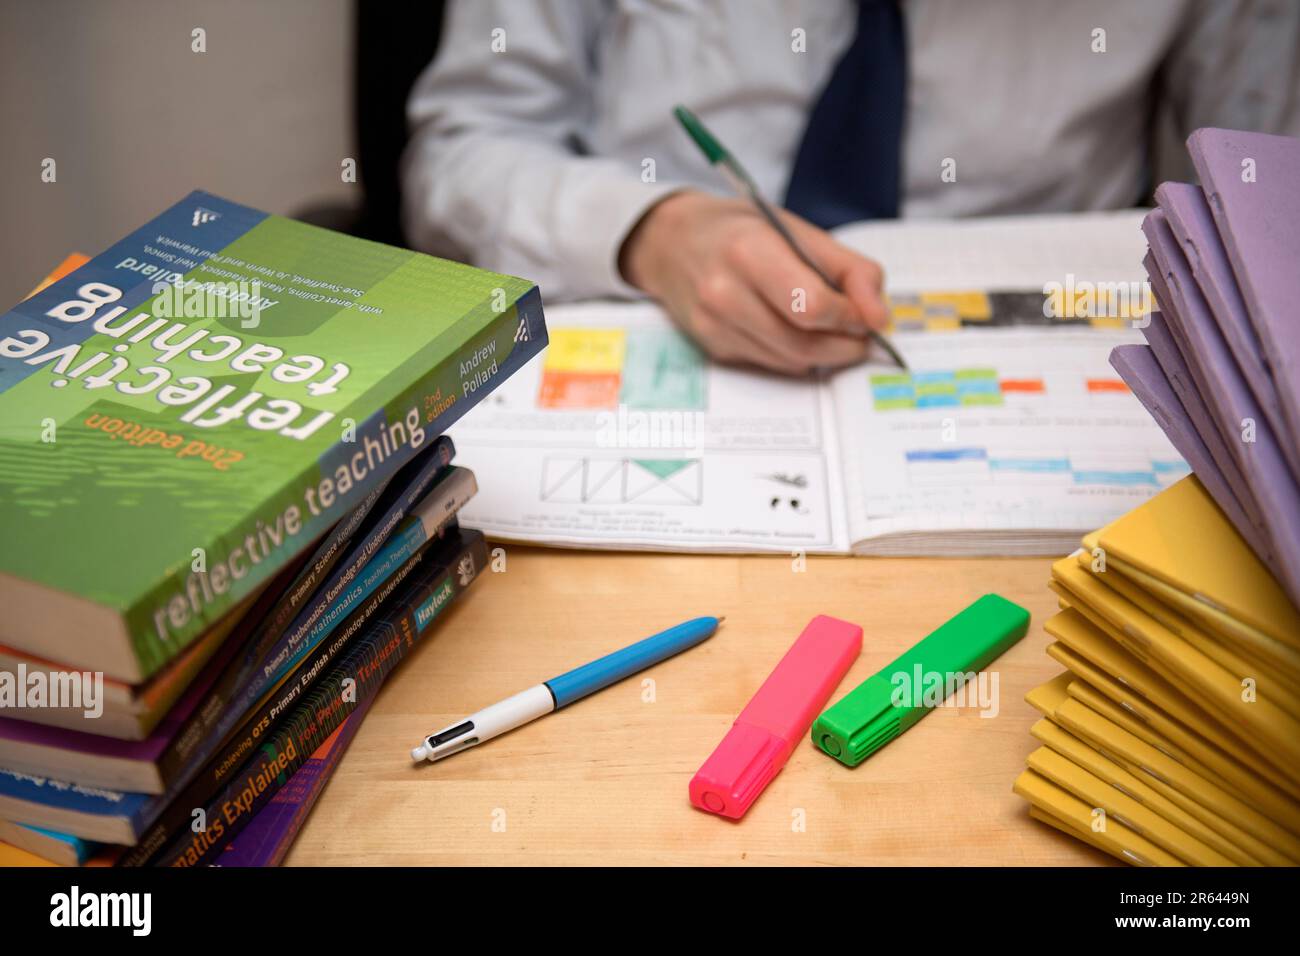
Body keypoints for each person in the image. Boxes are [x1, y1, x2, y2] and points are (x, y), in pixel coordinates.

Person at [402, 0, 1300, 374]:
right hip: (643, 347)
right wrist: (648, 230)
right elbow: (460, 149)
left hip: (1040, 393)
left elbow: (1264, 211)